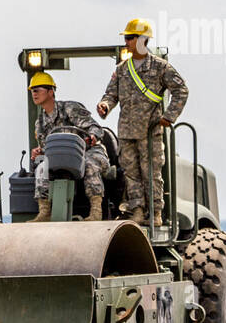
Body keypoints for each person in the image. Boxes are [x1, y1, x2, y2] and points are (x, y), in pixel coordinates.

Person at [97, 18, 188, 226]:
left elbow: (181, 90)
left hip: (150, 131)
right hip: (126, 131)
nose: (127, 42)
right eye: (126, 38)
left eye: (130, 38)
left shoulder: (160, 67)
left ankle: (155, 213)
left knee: (151, 174)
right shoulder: (122, 69)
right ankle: (137, 211)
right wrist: (104, 105)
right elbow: (111, 95)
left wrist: (169, 117)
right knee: (131, 173)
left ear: (143, 40)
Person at [27, 72, 109, 222]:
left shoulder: (70, 108)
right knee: (41, 166)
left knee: (90, 163)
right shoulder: (40, 123)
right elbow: (47, 148)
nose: (34, 93)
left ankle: (96, 212)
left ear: (50, 92)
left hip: (88, 151)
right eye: (32, 90)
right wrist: (40, 151)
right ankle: (44, 212)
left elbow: (95, 128)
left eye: (37, 89)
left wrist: (92, 136)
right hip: (62, 158)